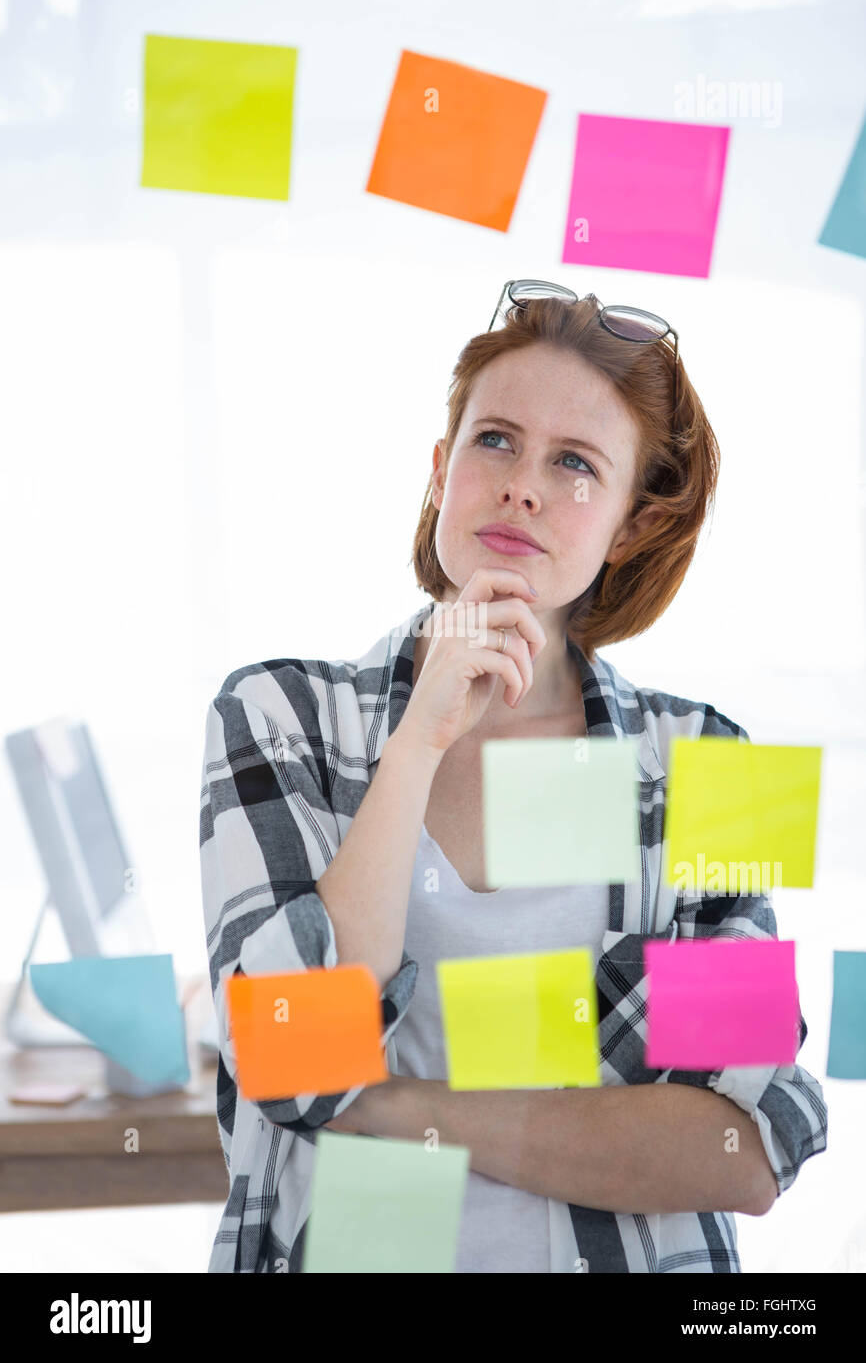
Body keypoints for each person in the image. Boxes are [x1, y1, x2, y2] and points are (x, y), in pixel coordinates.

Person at [199, 283, 828, 1273]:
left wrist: (403, 1106)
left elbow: (746, 1144)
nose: (521, 485)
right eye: (494, 440)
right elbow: (290, 1052)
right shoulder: (274, 716)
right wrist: (415, 744)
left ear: (625, 524)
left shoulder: (715, 758)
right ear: (441, 470)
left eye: (574, 464)